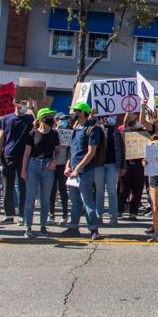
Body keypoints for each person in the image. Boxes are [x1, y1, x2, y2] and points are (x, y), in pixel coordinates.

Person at [60, 103, 102, 241]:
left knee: (87, 200)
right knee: (75, 201)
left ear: (82, 113)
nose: (73, 114)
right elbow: (71, 151)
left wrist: (78, 169)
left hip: (85, 171)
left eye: (76, 111)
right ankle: (73, 227)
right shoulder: (75, 129)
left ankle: (93, 229)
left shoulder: (92, 130)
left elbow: (91, 152)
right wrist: (68, 166)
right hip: (73, 171)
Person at [20, 108, 61, 237]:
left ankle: (43, 225)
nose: (51, 120)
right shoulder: (33, 133)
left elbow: (58, 150)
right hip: (33, 164)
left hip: (48, 166)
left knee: (45, 198)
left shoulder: (54, 134)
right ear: (41, 119)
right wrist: (23, 169)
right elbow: (26, 153)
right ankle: (28, 226)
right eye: (48, 117)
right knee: (30, 198)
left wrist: (55, 160)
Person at [0, 100, 34, 225]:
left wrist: (33, 108)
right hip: (8, 156)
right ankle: (8, 214)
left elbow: (38, 123)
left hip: (24, 157)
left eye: (24, 102)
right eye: (19, 102)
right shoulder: (6, 119)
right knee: (7, 187)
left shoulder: (29, 119)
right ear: (14, 103)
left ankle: (22, 214)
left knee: (23, 187)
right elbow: (0, 139)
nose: (22, 105)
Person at [117, 113, 145, 220]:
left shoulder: (142, 132)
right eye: (135, 120)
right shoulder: (123, 132)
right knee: (124, 189)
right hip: (126, 164)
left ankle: (133, 212)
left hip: (139, 164)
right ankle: (119, 210)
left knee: (137, 190)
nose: (137, 123)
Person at [48, 113, 70, 225]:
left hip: (62, 164)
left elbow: (70, 150)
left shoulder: (69, 133)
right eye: (62, 120)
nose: (64, 122)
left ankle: (65, 214)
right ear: (56, 121)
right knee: (51, 190)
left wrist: (68, 164)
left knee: (63, 190)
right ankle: (51, 214)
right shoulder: (51, 133)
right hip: (52, 164)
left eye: (66, 120)